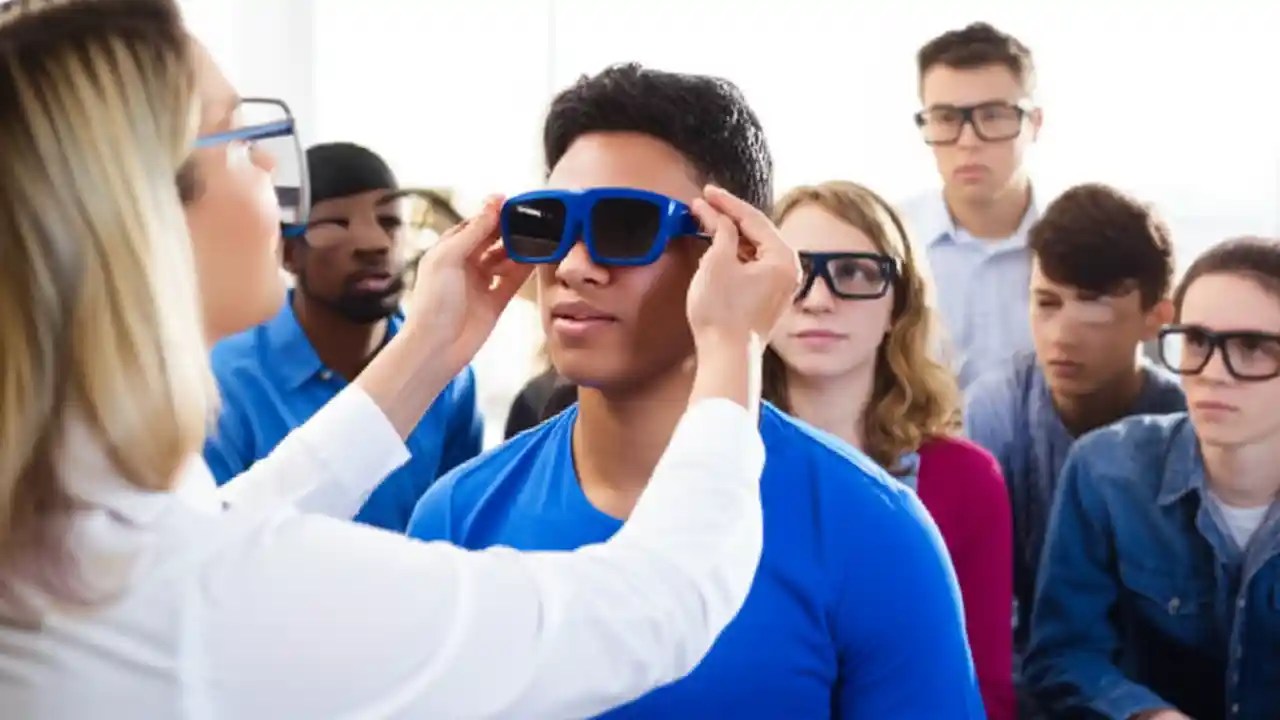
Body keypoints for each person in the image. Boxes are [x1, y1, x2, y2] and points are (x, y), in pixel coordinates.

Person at [0, 2, 799, 717]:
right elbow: (649, 611)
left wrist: (428, 347)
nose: (277, 171)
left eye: (623, 225)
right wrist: (734, 347)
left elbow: (227, 533)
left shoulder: (72, 526)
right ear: (141, 207)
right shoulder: (190, 591)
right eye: (244, 141)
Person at [409, 64, 983, 718]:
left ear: (735, 252)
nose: (572, 267)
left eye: (624, 228)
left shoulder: (872, 529)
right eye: (550, 225)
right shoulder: (457, 516)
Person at [765, 180, 1014, 720]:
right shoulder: (702, 457)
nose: (817, 299)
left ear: (899, 304)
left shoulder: (968, 480)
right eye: (792, 272)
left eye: (854, 272)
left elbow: (987, 690)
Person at [1025, 236, 1280, 720]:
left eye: (1252, 347)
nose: (1213, 373)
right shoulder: (1106, 470)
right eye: (1198, 341)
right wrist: (1146, 716)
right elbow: (1062, 654)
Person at [204, 142, 481, 531]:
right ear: (288, 252)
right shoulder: (224, 381)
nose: (374, 243)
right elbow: (209, 543)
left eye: (389, 221)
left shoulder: (448, 375)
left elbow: (462, 526)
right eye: (335, 224)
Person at [965, 183, 1186, 667]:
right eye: (1046, 303)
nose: (1061, 335)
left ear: (1156, 317)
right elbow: (981, 609)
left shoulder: (1186, 419)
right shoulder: (996, 410)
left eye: (1093, 304)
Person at [900, 22, 1043, 388]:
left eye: (992, 115)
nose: (968, 140)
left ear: (1034, 123)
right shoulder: (893, 242)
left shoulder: (1075, 246)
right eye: (946, 118)